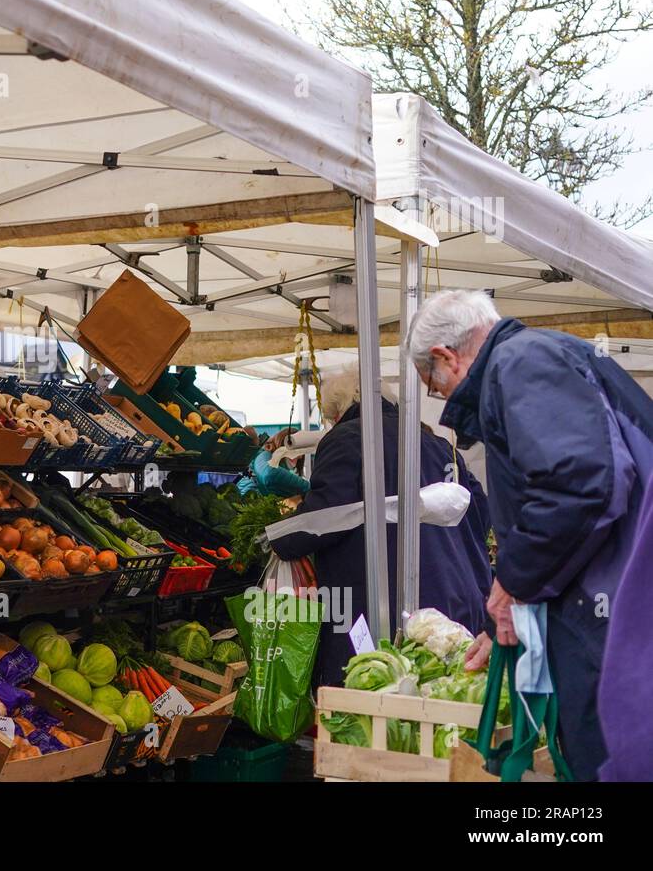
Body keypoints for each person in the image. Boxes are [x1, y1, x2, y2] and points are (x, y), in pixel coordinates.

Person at [406, 289, 653, 781]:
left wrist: (514, 583)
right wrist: (503, 616)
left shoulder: (522, 362)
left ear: (445, 357)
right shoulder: (539, 356)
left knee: (611, 756)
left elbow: (582, 485)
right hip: (614, 598)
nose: (443, 401)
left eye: (434, 389)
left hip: (616, 610)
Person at [268, 369, 493, 688]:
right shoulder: (439, 444)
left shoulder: (348, 439)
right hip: (454, 597)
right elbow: (480, 512)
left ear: (336, 413)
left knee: (374, 698)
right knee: (441, 699)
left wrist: (279, 538)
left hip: (383, 607)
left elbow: (326, 514)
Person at [237, 427, 310, 498]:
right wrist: (309, 487)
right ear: (283, 443)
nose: (300, 456)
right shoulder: (264, 454)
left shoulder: (275, 463)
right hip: (249, 502)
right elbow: (269, 474)